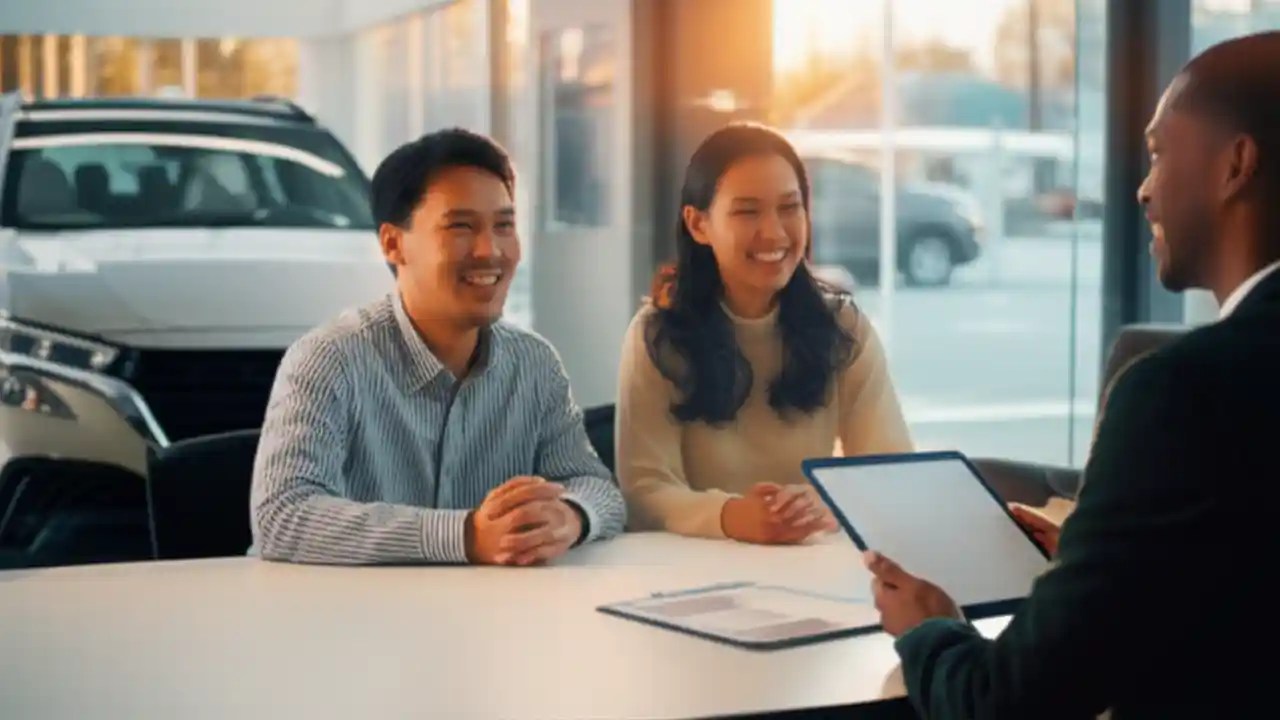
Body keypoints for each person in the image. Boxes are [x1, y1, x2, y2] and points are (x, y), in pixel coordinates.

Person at [863, 32, 1280, 718]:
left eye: (1157, 153)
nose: (1143, 190)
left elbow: (1010, 704)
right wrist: (1105, 564)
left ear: (1236, 165)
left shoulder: (1180, 394)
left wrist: (932, 629)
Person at [251, 128, 625, 565]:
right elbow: (282, 514)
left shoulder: (533, 363)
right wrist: (465, 536)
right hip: (348, 623)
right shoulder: (331, 359)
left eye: (504, 226)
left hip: (483, 620)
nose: (491, 251)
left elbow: (596, 488)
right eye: (461, 227)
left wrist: (569, 516)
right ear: (393, 243)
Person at [615, 122, 913, 544]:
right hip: (695, 574)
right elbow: (644, 493)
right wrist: (734, 517)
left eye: (790, 208)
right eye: (747, 211)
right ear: (698, 225)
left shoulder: (843, 327)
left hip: (811, 567)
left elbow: (894, 472)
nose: (774, 232)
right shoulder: (658, 334)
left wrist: (826, 502)